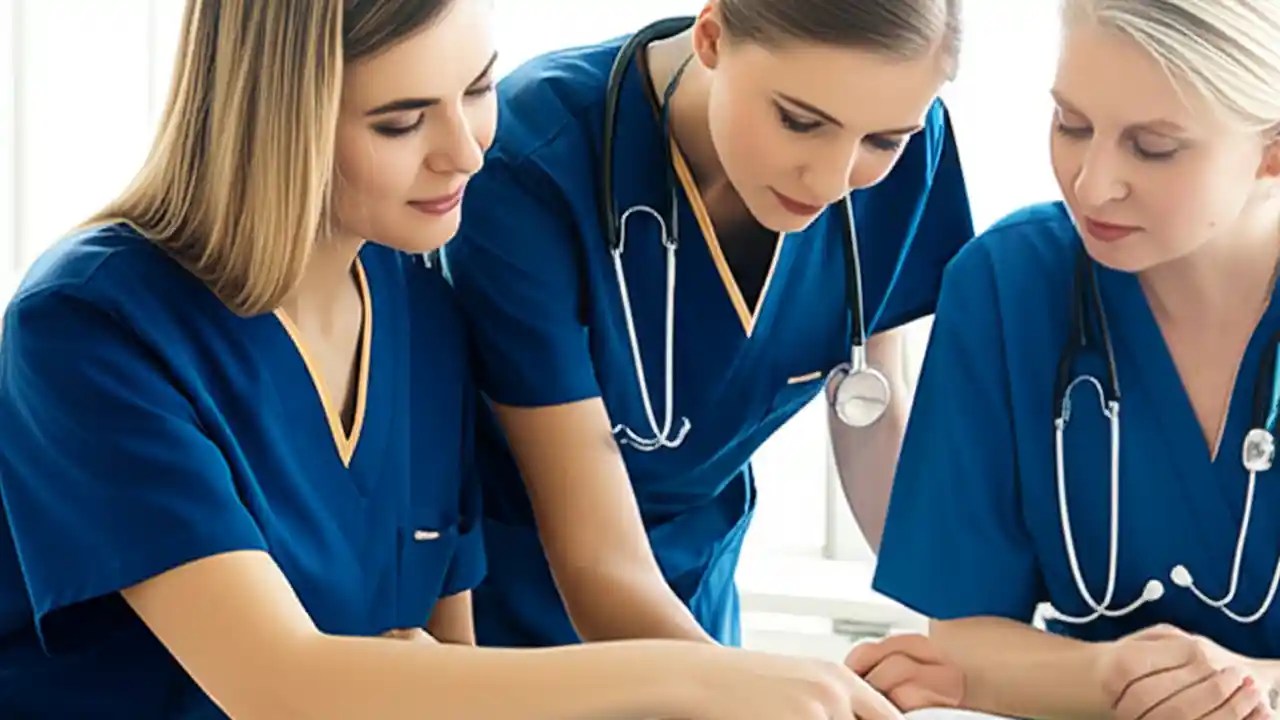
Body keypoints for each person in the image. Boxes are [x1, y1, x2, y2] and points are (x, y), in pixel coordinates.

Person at [0, 1, 911, 719]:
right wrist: (702, 683)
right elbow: (281, 687)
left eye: (478, 89)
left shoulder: (423, 316)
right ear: (275, 119)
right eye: (402, 123)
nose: (472, 150)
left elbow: (455, 675)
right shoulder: (89, 332)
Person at [443, 0, 973, 709]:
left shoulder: (908, 141)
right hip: (515, 602)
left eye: (882, 140)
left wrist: (980, 637)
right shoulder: (531, 164)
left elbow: (872, 409)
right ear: (713, 36)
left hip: (697, 585)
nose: (830, 177)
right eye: (799, 121)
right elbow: (597, 563)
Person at [872, 0, 1280, 719]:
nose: (1091, 184)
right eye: (1073, 124)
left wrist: (1253, 684)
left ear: (1272, 150)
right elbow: (960, 643)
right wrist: (1112, 675)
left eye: (1153, 147)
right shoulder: (1007, 286)